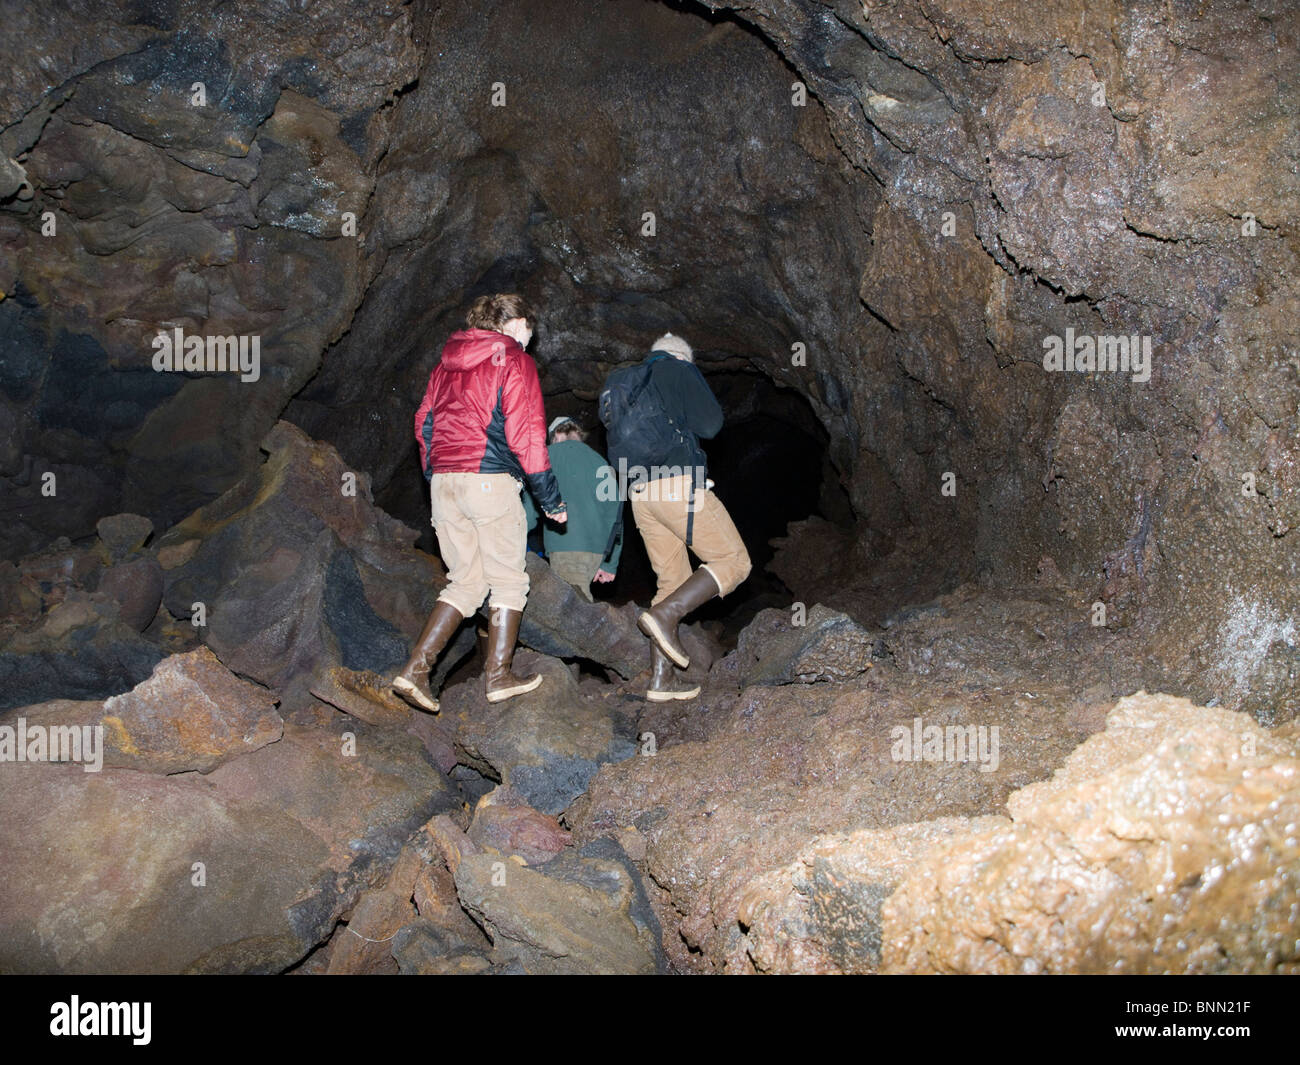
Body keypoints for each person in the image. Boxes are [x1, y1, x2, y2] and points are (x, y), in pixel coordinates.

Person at [392, 293, 567, 712]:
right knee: (508, 580)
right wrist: (549, 498)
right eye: (529, 327)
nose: (531, 336)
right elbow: (527, 435)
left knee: (466, 582)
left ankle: (416, 670)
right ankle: (498, 676)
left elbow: (424, 424)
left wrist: (439, 477)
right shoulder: (515, 362)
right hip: (488, 480)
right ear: (514, 323)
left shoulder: (443, 367)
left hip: (445, 484)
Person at [602, 332, 751, 701]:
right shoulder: (678, 369)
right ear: (682, 356)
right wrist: (688, 377)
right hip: (677, 487)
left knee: (672, 582)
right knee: (733, 560)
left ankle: (661, 681)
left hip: (639, 495)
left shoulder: (625, 384)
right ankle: (666, 616)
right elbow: (711, 423)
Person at [522, 417, 622, 601]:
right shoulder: (600, 462)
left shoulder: (546, 458)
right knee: (576, 603)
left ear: (555, 436)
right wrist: (610, 563)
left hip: (566, 547)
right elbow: (615, 517)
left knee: (574, 609)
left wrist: (508, 541)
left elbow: (529, 510)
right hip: (598, 551)